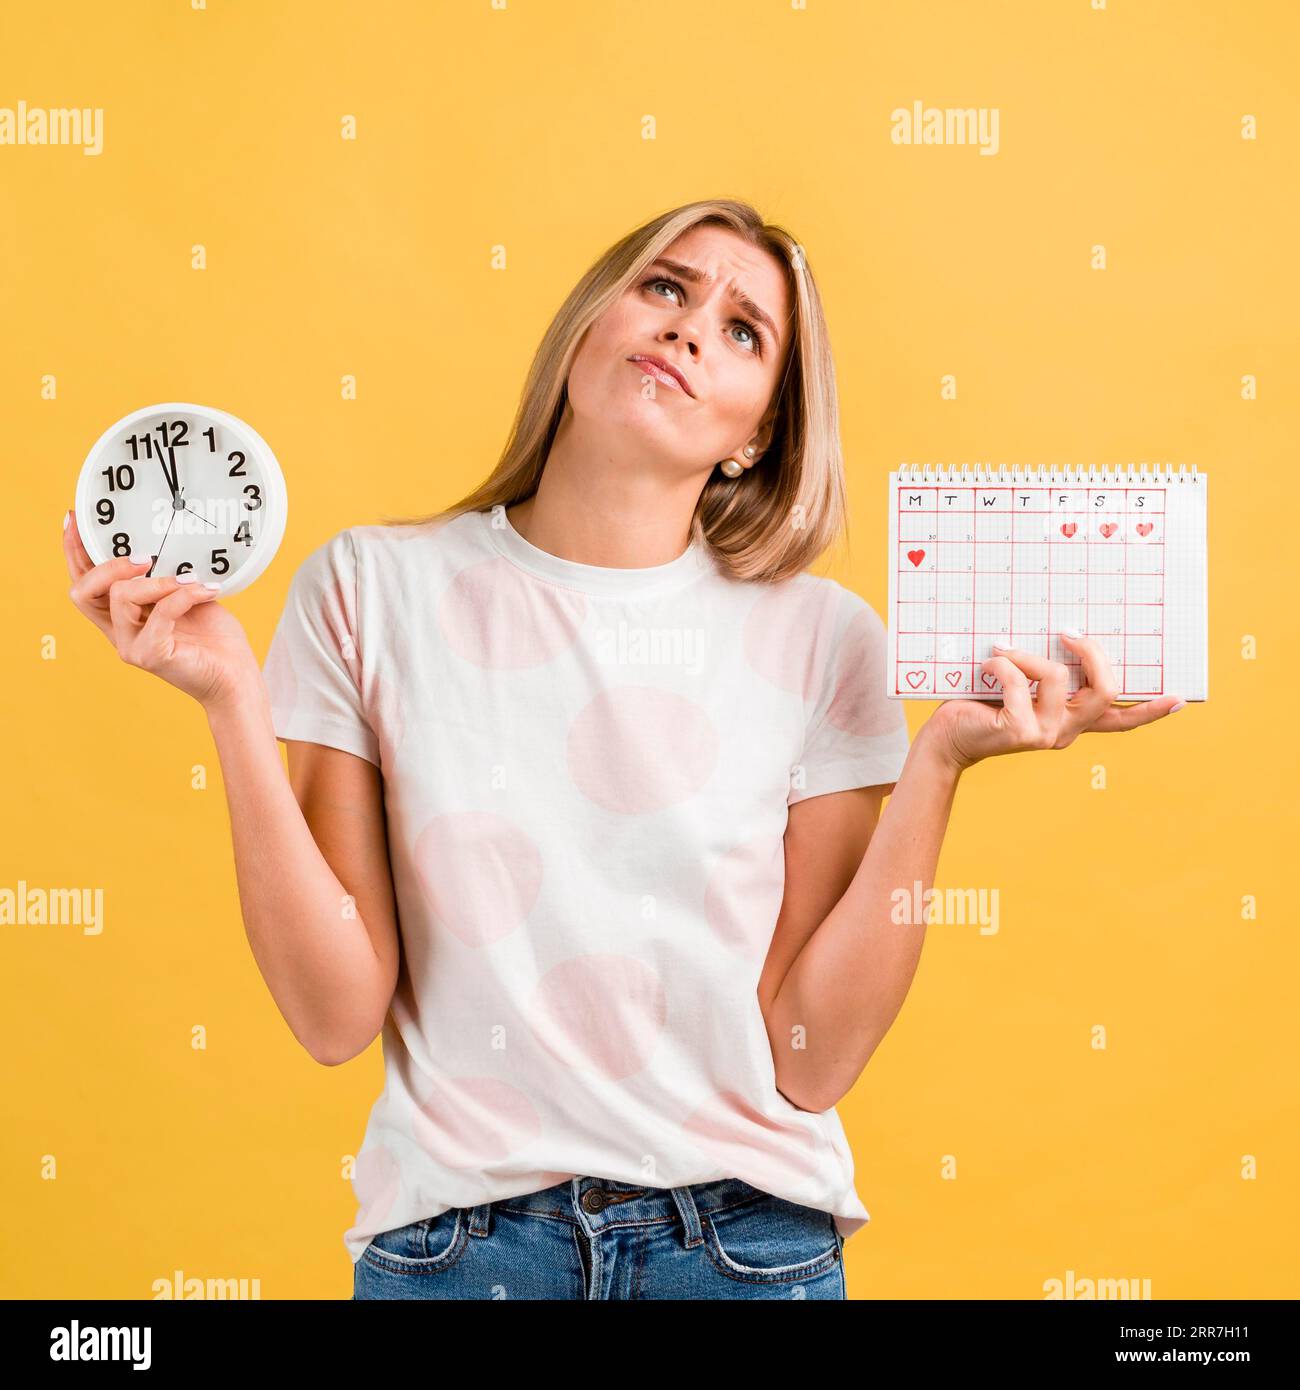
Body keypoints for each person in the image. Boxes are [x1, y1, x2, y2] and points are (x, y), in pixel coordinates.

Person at [63, 198, 1183, 1301]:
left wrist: (938, 762)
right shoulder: (366, 588)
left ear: (756, 433)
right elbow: (332, 1014)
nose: (692, 327)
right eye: (664, 286)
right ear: (586, 327)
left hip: (746, 1249)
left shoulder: (823, 638)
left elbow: (810, 1056)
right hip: (459, 1250)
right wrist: (227, 700)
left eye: (744, 331)